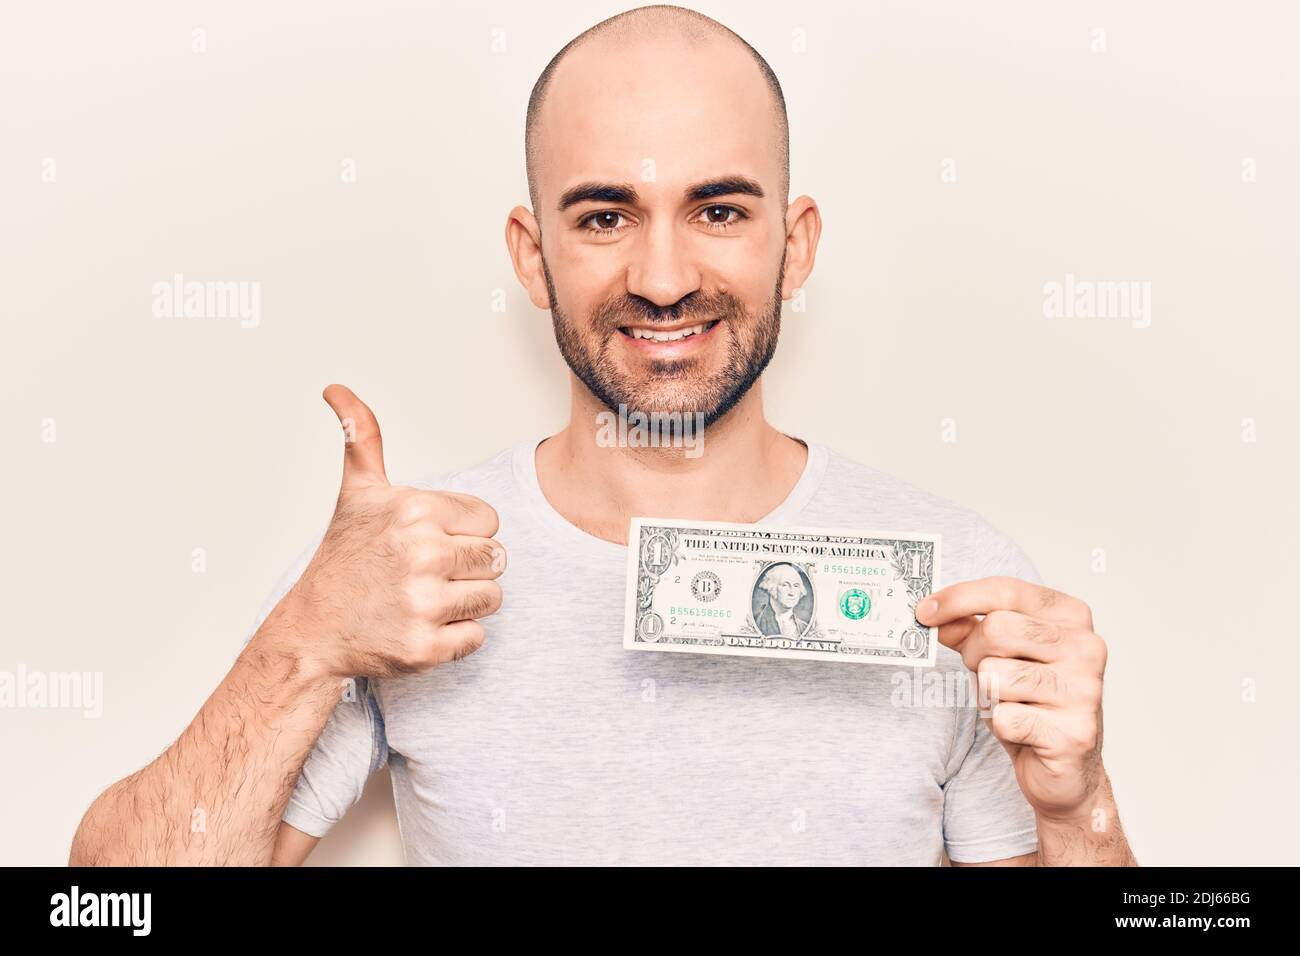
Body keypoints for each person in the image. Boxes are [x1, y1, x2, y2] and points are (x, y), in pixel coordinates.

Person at [70, 4, 1134, 866]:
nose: (663, 278)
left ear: (794, 245)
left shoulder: (959, 589)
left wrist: (1077, 805)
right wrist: (303, 641)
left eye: (717, 210)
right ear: (532, 257)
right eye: (603, 216)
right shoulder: (405, 574)